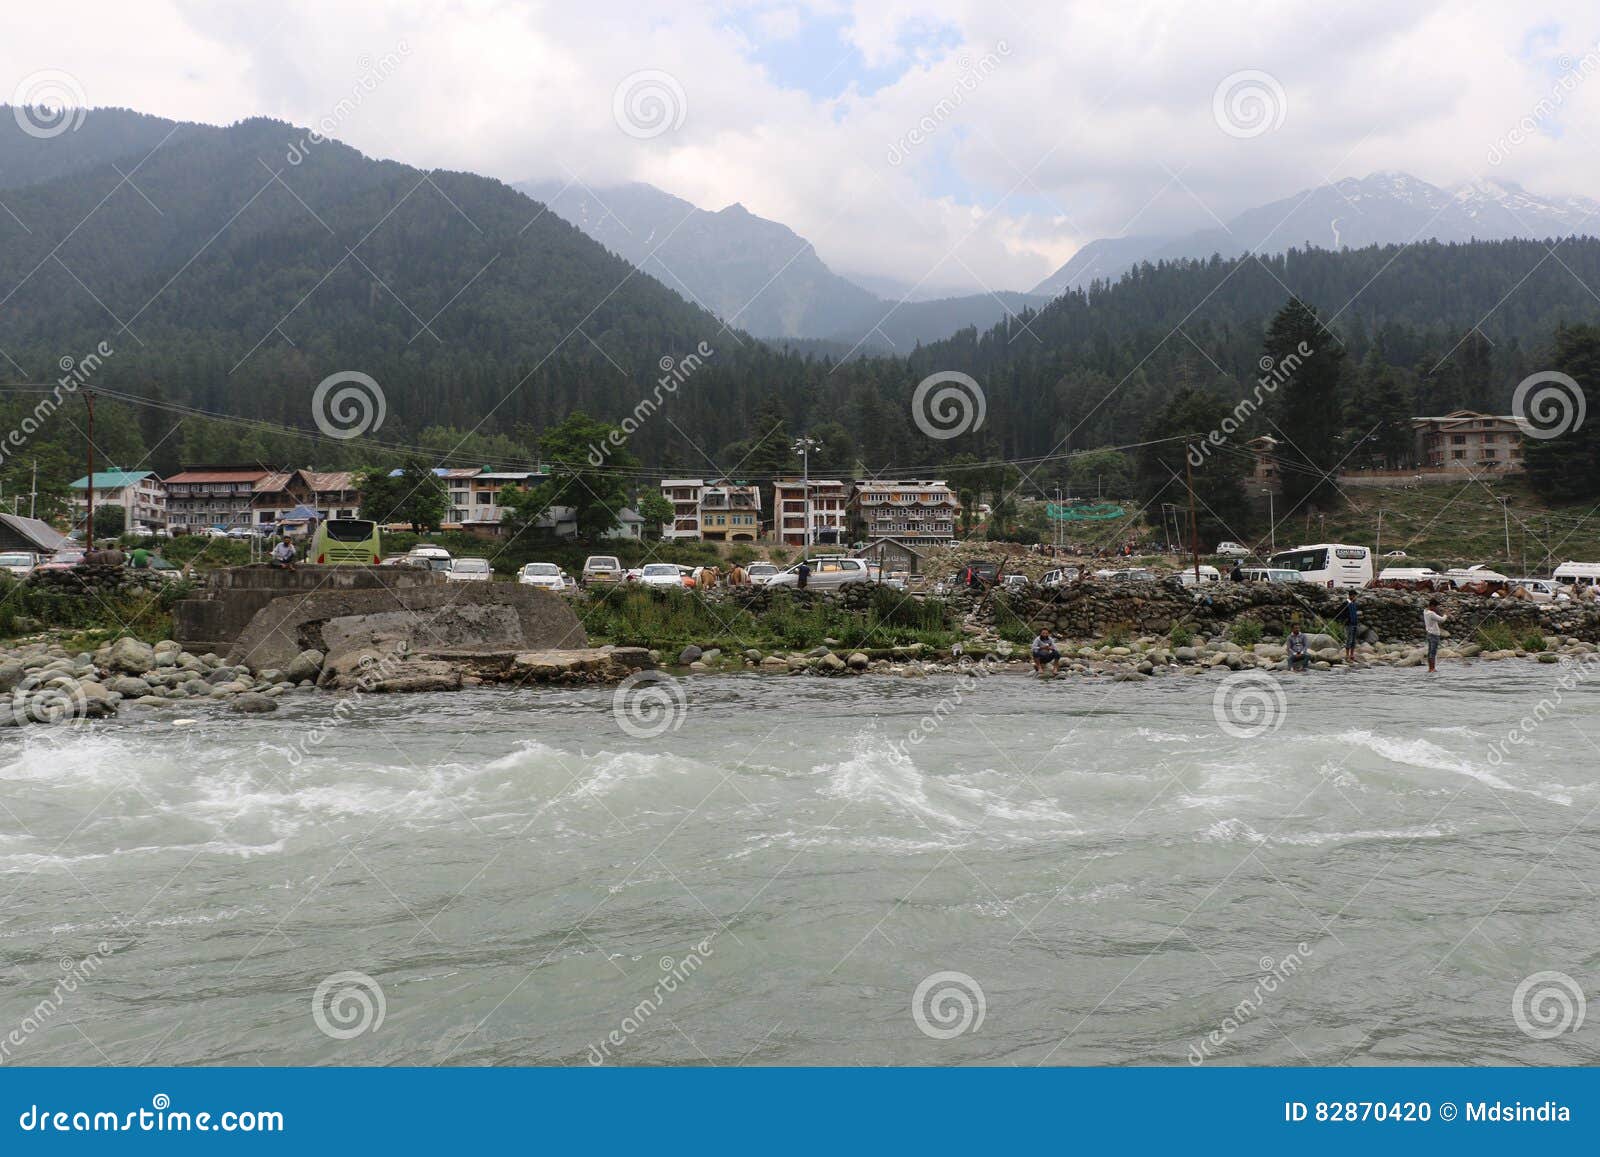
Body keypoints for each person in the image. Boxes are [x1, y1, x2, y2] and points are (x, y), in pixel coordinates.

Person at [1423, 599, 1447, 673]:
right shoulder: (1431, 614)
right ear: (1432, 606)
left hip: (1429, 634)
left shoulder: (1425, 611)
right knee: (1433, 653)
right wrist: (1446, 614)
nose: (1437, 608)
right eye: (1436, 607)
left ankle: (1430, 668)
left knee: (1430, 652)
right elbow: (1442, 620)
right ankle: (1432, 669)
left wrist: (1437, 611)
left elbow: (1434, 614)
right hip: (1434, 635)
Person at [1339, 592, 1360, 661]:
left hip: (1355, 624)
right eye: (1354, 596)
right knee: (1349, 639)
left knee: (1353, 640)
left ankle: (1352, 655)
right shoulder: (1345, 604)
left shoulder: (1354, 604)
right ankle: (1347, 655)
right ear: (1350, 596)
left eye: (1355, 596)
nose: (1355, 597)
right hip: (1349, 624)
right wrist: (1345, 619)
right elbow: (1340, 612)